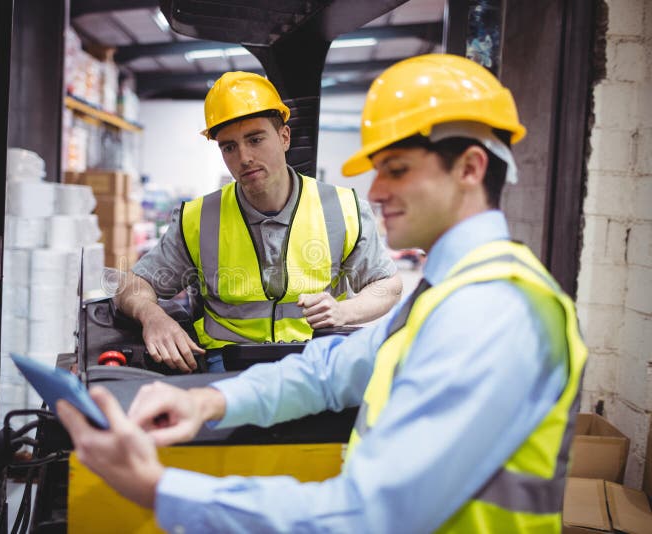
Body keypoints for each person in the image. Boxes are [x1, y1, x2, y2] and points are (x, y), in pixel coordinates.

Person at [58, 53, 588, 532]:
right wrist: (205, 400)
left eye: (397, 171)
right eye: (229, 146)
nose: (376, 192)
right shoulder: (451, 293)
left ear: (470, 168)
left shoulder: (494, 312)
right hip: (227, 365)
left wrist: (161, 491)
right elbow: (330, 370)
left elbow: (370, 515)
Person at [115, 71, 402, 373]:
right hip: (226, 368)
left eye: (255, 139)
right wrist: (154, 317)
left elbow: (388, 284)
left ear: (284, 137)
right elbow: (133, 284)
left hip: (316, 363)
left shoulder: (343, 208)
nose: (244, 157)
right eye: (229, 146)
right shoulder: (198, 218)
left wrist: (344, 311)